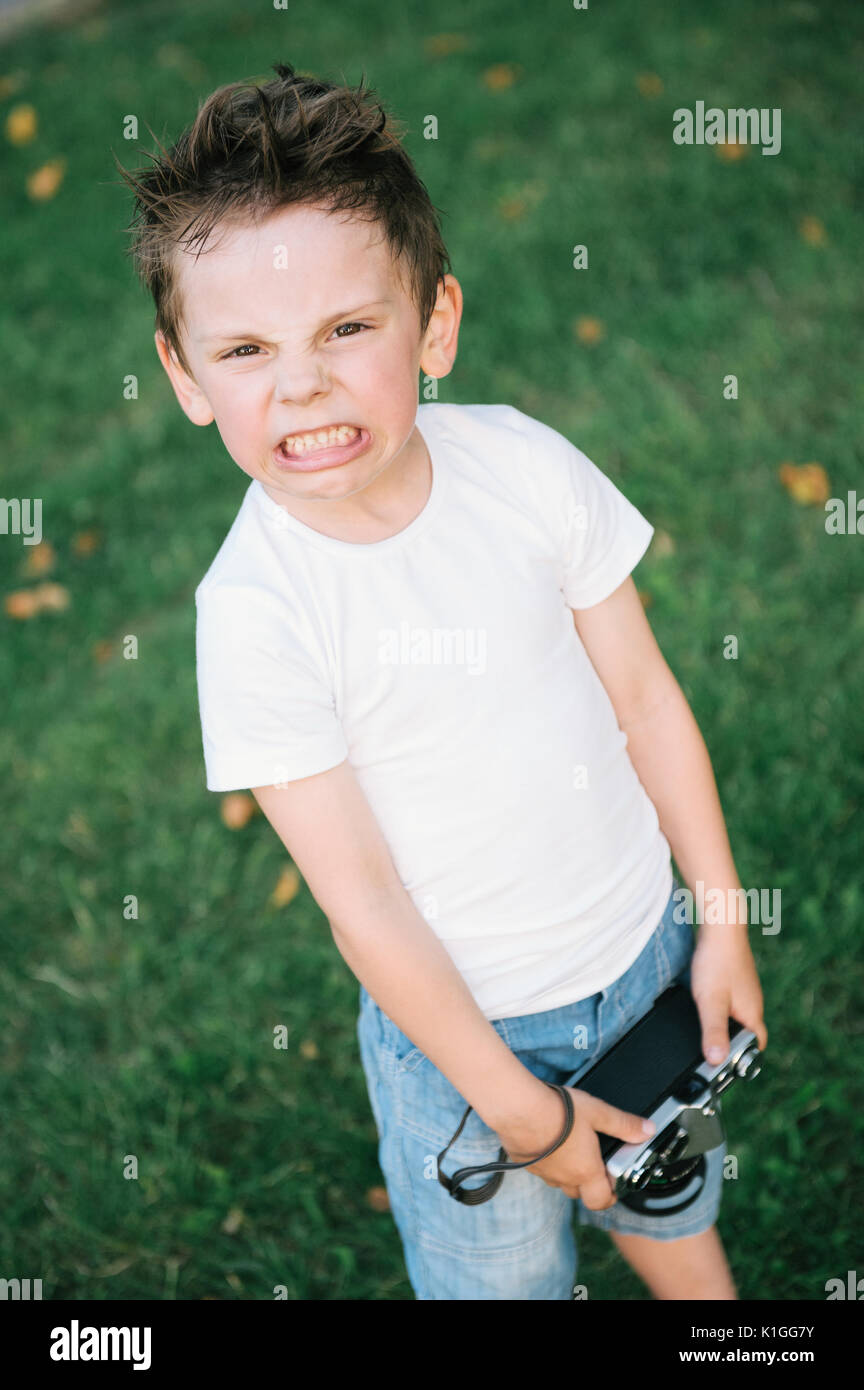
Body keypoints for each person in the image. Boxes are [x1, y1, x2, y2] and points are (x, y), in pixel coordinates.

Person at [118, 60, 767, 1301]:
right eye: (245, 348)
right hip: (461, 1047)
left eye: (346, 327)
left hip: (642, 959)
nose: (300, 383)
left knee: (674, 1208)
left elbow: (645, 700)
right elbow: (366, 908)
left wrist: (724, 913)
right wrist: (523, 1114)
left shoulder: (524, 469)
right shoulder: (256, 615)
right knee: (500, 1285)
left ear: (438, 323)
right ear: (188, 378)